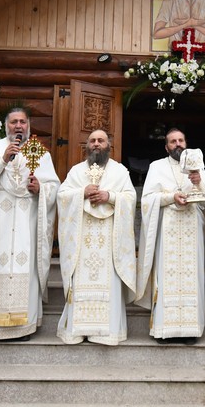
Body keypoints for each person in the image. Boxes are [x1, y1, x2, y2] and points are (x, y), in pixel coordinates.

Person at [0, 107, 60, 341]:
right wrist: (2, 160)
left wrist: (41, 189)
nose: (18, 126)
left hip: (27, 222)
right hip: (0, 222)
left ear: (29, 125)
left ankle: (23, 326)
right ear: (6, 125)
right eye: (14, 122)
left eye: (23, 122)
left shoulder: (39, 151)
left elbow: (54, 186)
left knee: (24, 267)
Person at [135, 127, 205, 342]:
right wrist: (171, 197)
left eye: (181, 140)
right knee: (167, 279)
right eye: (173, 141)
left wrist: (198, 182)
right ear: (166, 147)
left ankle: (190, 330)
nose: (178, 144)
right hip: (167, 231)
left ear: (186, 142)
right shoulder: (157, 167)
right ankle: (165, 330)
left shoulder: (198, 167)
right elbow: (147, 200)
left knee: (191, 279)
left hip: (192, 231)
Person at [56, 129, 137, 345]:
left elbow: (131, 198)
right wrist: (82, 192)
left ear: (109, 145)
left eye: (101, 140)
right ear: (87, 146)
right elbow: (62, 196)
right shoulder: (75, 172)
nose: (96, 144)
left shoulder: (120, 172)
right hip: (82, 239)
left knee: (107, 282)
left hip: (108, 239)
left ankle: (107, 332)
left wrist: (109, 196)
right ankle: (78, 329)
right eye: (92, 141)